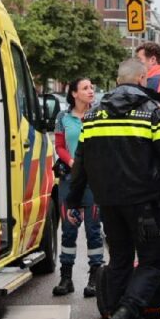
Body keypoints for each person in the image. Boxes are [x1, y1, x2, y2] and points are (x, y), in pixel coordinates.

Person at [67, 58, 160, 319]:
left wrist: (73, 200)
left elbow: (81, 161)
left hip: (109, 203)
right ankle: (125, 315)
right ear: (141, 79)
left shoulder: (93, 115)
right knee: (153, 260)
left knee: (120, 261)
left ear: (116, 81)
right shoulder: (152, 112)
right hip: (145, 203)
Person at [52, 77, 105, 298]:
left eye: (91, 87)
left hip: (94, 182)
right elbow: (59, 146)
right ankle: (66, 278)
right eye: (85, 88)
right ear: (74, 93)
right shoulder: (62, 117)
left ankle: (95, 278)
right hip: (70, 180)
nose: (91, 91)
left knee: (93, 230)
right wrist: (73, 162)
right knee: (69, 229)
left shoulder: (100, 115)